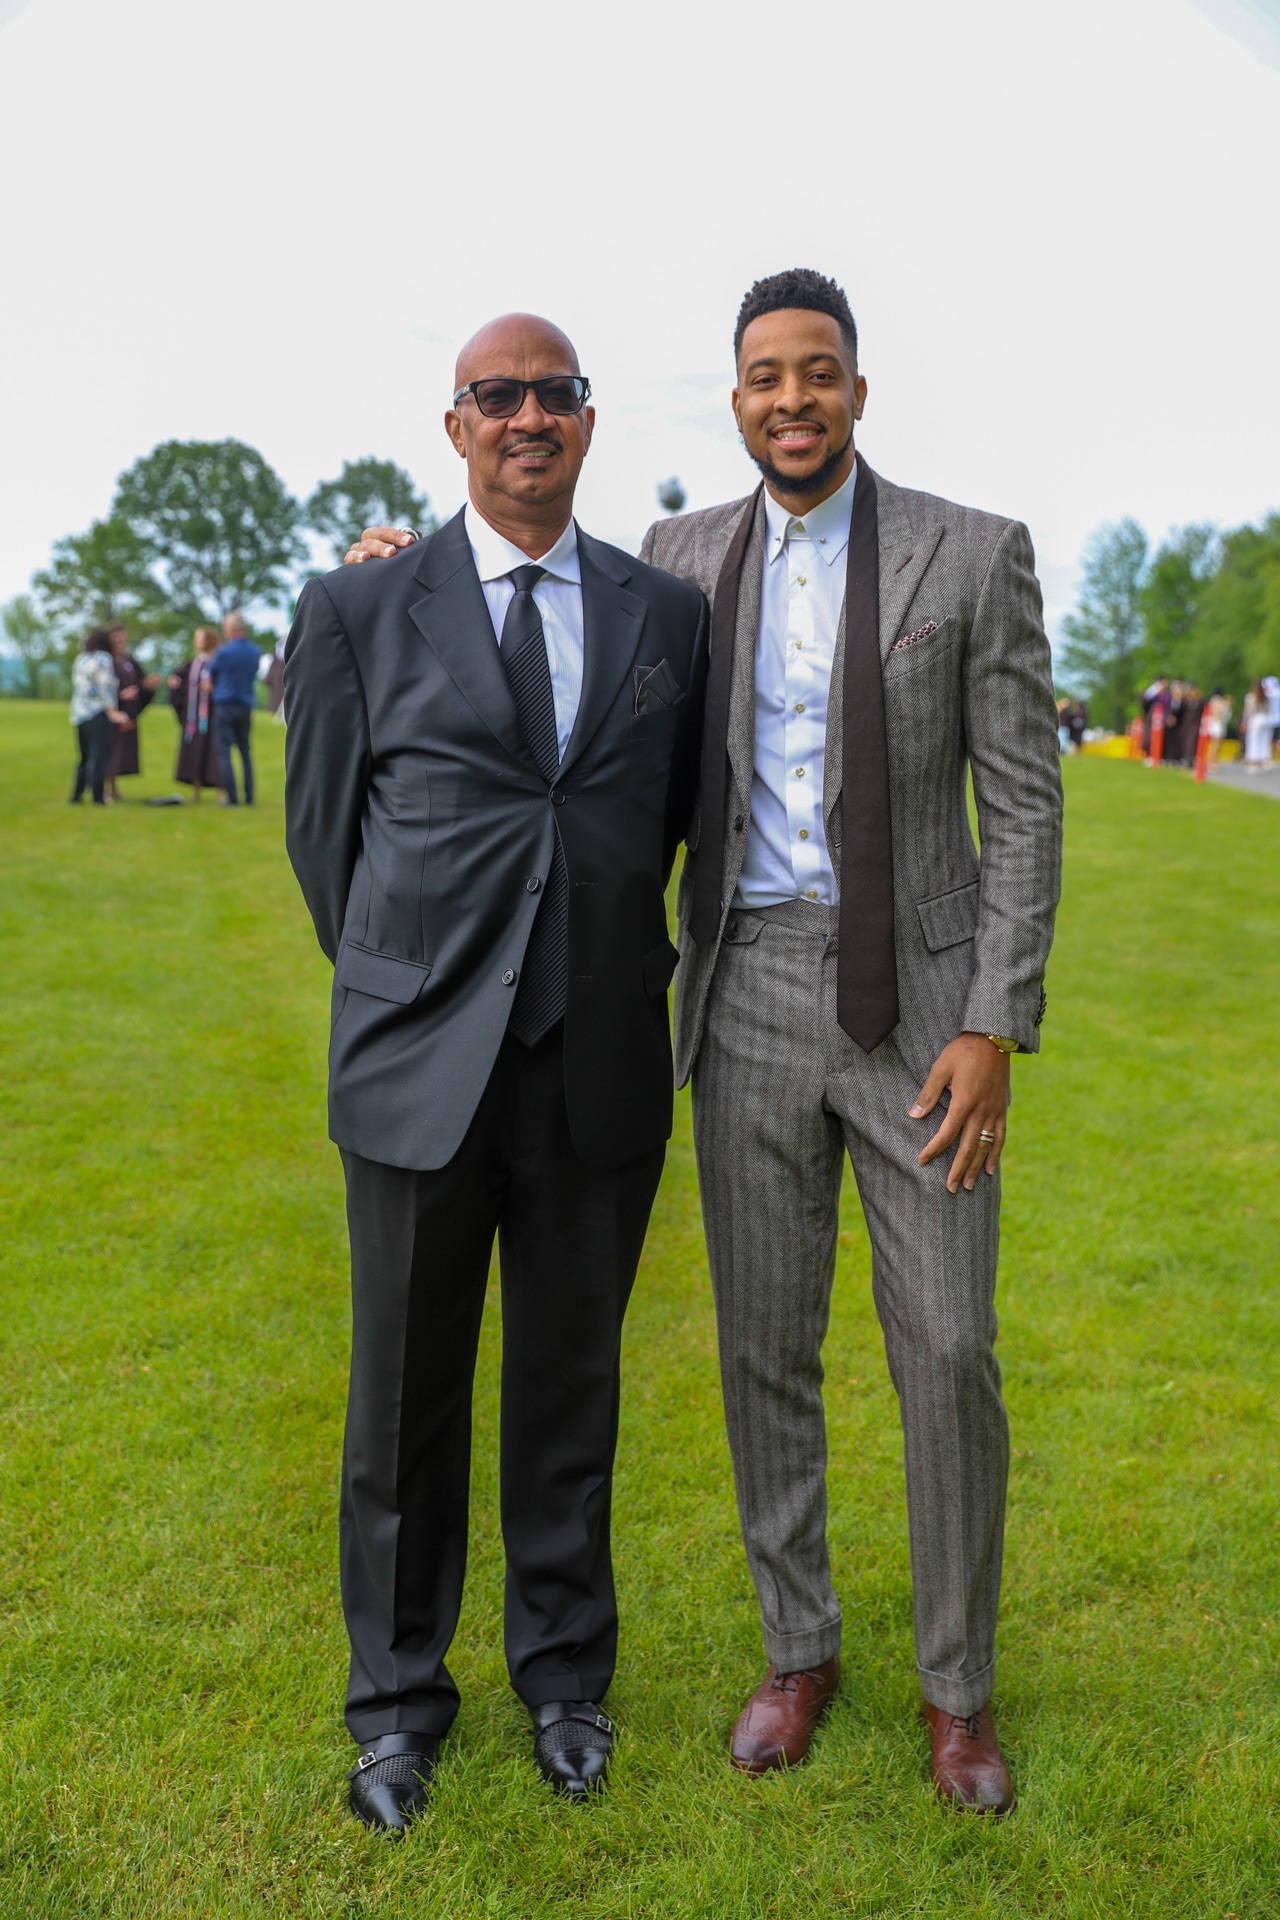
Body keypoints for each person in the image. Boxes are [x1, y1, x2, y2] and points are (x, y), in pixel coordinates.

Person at [348, 269, 1063, 1818]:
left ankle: (960, 1690)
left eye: (817, 373)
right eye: (762, 377)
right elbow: (525, 618)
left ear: (858, 391)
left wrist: (996, 1017)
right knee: (762, 1351)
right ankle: (797, 1651)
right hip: (738, 992)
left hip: (923, 1014)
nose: (790, 399)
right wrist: (399, 568)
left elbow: (1024, 800)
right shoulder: (678, 563)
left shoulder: (973, 550)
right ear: (732, 401)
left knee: (946, 1349)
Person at [286, 312, 707, 1832]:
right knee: (401, 1405)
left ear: (587, 422)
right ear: (455, 424)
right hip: (418, 1069)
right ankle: (397, 1705)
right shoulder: (354, 611)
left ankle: (565, 1680)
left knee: (569, 1396)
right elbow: (323, 843)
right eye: (498, 397)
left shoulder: (668, 618)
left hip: (594, 1062)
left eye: (557, 395)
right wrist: (423, 986)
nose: (530, 417)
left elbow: (664, 824)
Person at [69, 629, 127, 804]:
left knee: (84, 757)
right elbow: (104, 688)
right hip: (97, 713)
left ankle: (77, 795)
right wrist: (113, 712)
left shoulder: (81, 659)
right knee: (98, 757)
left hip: (79, 714)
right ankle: (98, 796)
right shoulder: (104, 659)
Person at [105, 621, 161, 799]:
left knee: (121, 752)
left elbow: (139, 682)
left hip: (128, 714)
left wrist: (147, 685)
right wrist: (120, 695)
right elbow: (102, 687)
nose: (120, 640)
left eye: (123, 636)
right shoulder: (106, 661)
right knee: (109, 750)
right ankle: (105, 789)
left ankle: (114, 788)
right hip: (111, 712)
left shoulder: (129, 660)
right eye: (116, 637)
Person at [208, 612, 260, 804]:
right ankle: (249, 795)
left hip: (225, 703)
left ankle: (231, 797)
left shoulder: (224, 652)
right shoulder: (255, 651)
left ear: (230, 628)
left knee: (224, 750)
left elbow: (210, 671)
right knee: (245, 751)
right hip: (245, 705)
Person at [167, 626, 222, 801]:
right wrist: (175, 683)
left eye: (199, 638)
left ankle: (221, 790)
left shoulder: (217, 662)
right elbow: (182, 682)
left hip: (212, 717)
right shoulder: (193, 663)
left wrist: (214, 689)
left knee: (214, 754)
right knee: (195, 752)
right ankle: (196, 790)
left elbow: (225, 686)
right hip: (193, 719)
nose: (196, 641)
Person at [1242, 678, 1273, 770]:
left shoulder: (1251, 697)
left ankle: (1253, 760)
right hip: (1266, 719)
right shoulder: (1266, 697)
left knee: (1253, 740)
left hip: (1256, 719)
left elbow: (1248, 711)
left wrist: (1245, 721)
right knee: (1264, 740)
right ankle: (1264, 759)